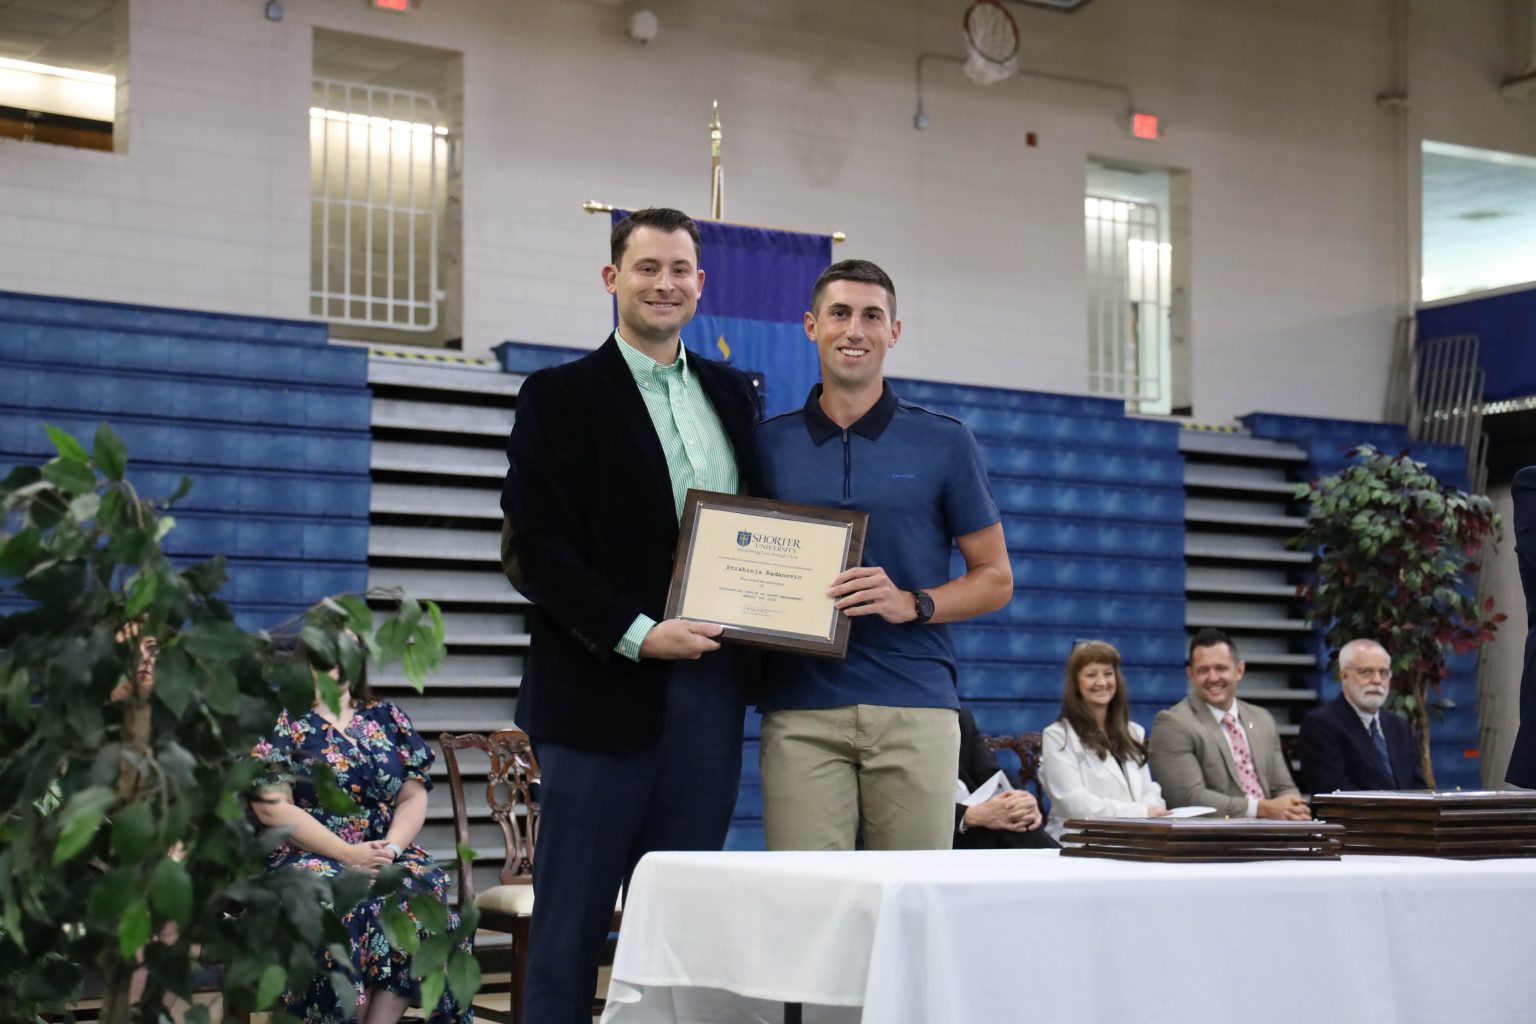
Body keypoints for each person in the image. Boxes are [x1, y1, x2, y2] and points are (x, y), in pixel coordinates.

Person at [500, 207, 762, 1023]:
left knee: (679, 925)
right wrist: (641, 634)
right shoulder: (560, 396)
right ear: (613, 279)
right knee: (570, 928)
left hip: (709, 700)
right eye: (647, 268)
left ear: (701, 284)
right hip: (596, 696)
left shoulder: (734, 392)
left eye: (680, 269)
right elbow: (534, 551)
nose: (665, 284)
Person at [756, 259, 1014, 852]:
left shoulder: (945, 442)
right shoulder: (766, 444)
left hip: (915, 706)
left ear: (894, 332)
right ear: (809, 326)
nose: (855, 329)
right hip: (801, 710)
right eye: (839, 313)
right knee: (812, 904)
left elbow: (996, 579)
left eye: (872, 316)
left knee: (912, 901)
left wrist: (912, 602)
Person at [251, 656, 469, 1024]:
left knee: (422, 890)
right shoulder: (282, 720)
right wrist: (347, 854)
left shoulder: (387, 717)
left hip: (381, 850)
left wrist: (392, 849)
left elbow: (413, 795)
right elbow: (271, 808)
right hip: (308, 852)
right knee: (352, 899)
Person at [1147, 628, 1310, 819]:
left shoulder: (1262, 718)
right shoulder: (1172, 723)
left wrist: (1293, 807)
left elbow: (1284, 787)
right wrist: (1262, 809)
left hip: (1274, 835)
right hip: (1216, 841)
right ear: (1190, 674)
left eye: (1221, 668)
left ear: (1239, 670)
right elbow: (1189, 798)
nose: (1213, 678)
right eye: (1203, 670)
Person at [1039, 640, 1167, 839]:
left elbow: (1149, 790)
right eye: (1091, 675)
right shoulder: (1057, 736)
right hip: (1081, 843)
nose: (1102, 682)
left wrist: (1154, 808)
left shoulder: (1133, 732)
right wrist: (1140, 813)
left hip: (1136, 839)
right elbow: (1075, 804)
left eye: (1108, 673)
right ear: (1076, 683)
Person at [1299, 638, 1425, 793]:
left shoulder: (1399, 726)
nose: (1377, 680)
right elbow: (1334, 793)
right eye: (1366, 672)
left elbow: (1419, 788)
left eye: (1384, 673)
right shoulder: (1321, 724)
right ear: (1344, 676)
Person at [954, 706, 1055, 849]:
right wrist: (967, 815)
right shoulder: (912, 722)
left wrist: (1021, 800)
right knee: (1013, 831)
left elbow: (991, 773)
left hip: (979, 828)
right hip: (940, 832)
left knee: (1018, 822)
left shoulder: (960, 717)